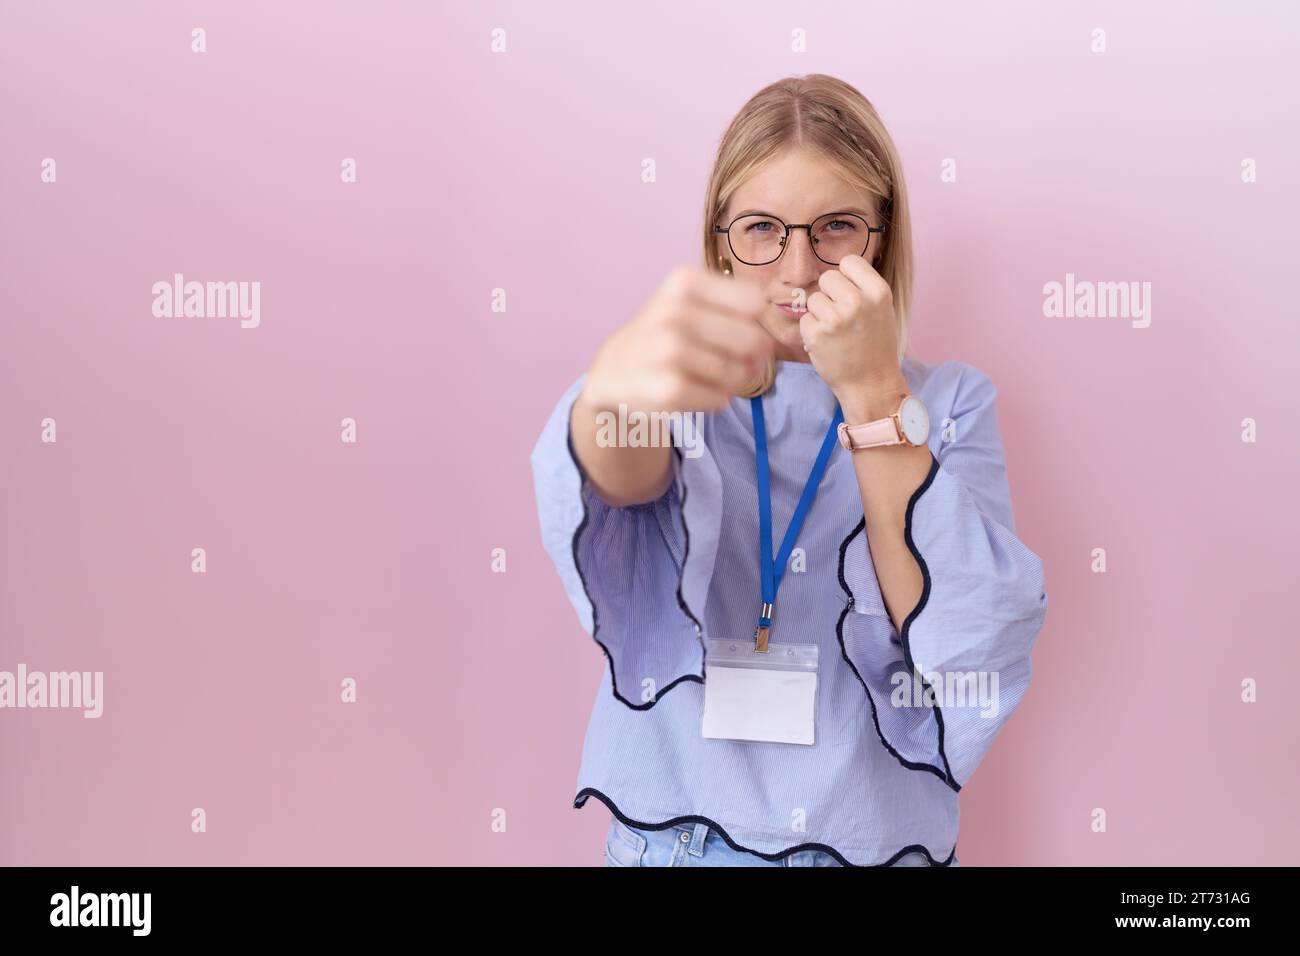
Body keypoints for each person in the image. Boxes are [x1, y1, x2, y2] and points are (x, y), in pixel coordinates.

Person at [530, 74, 1048, 867]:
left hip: (872, 849)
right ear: (720, 242)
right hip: (678, 843)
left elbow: (956, 628)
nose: (799, 268)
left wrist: (873, 393)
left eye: (835, 226)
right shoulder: (684, 389)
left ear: (882, 234)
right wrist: (611, 391)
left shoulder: (947, 403)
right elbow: (615, 482)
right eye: (764, 228)